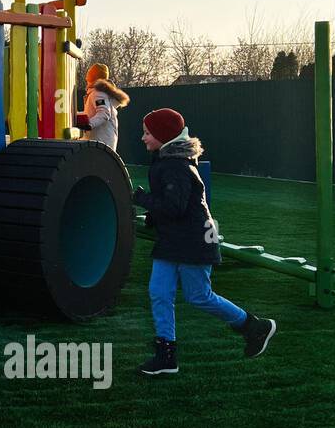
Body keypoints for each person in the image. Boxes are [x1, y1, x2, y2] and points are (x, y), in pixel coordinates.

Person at [133, 107, 276, 375]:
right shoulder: (170, 161)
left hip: (193, 241)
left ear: (163, 136)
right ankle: (166, 356)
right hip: (175, 240)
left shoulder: (175, 165)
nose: (143, 138)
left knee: (199, 296)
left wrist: (140, 199)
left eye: (148, 133)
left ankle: (254, 327)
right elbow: (174, 204)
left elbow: (174, 207)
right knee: (159, 293)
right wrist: (153, 215)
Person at [74, 62, 130, 151]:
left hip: (100, 145)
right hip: (103, 144)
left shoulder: (98, 93)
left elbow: (104, 113)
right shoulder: (100, 93)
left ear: (91, 77)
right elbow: (92, 114)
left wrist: (89, 124)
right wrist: (75, 115)